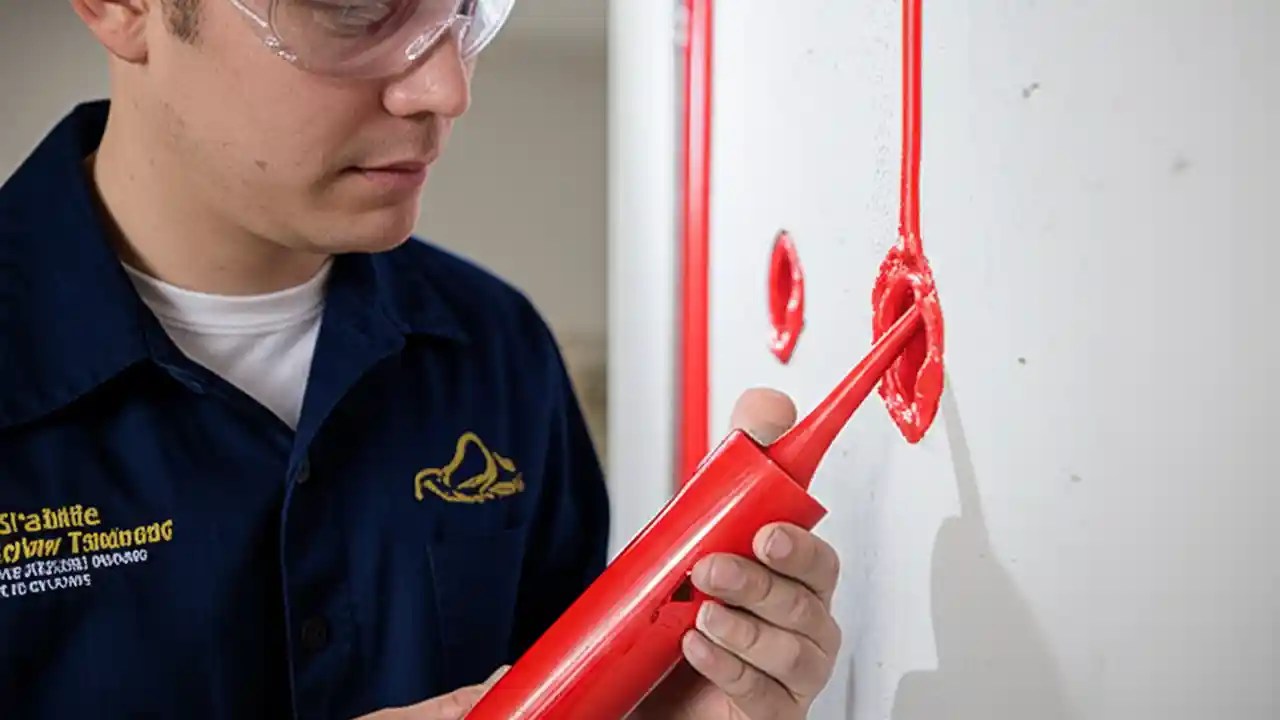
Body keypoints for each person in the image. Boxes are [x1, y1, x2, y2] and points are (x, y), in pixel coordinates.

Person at [0, 1, 844, 717]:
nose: (447, 87)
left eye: (464, 9)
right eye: (358, 9)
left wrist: (653, 702)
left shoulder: (495, 349)